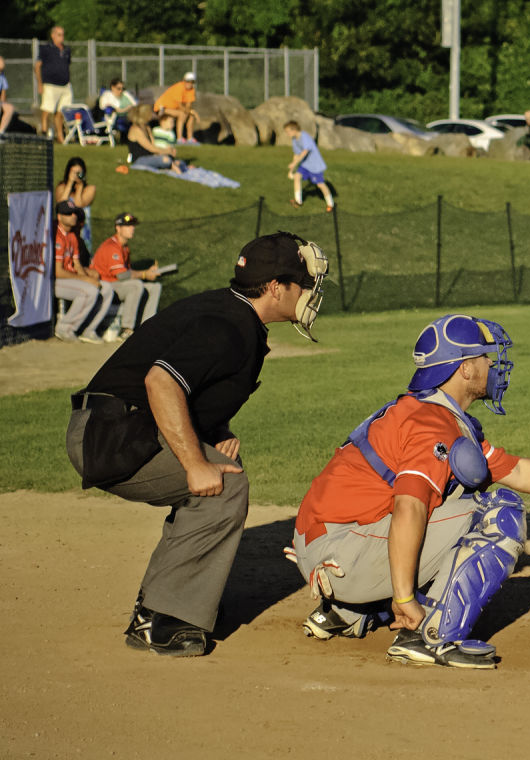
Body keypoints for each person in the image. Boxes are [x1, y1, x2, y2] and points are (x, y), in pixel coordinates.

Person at [289, 314, 530, 669]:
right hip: (343, 556)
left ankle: (350, 612)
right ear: (465, 368)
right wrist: (405, 597)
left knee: (456, 497)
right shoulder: (432, 425)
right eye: (485, 358)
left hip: (332, 547)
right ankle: (431, 637)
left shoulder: (433, 413)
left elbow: (515, 469)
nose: (493, 366)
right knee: (497, 510)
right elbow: (409, 508)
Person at [65, 232, 329, 657]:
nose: (308, 292)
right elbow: (161, 381)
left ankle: (160, 605)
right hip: (108, 435)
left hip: (116, 428)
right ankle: (165, 620)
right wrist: (193, 461)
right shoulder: (228, 324)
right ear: (276, 287)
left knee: (220, 466)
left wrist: (212, 431)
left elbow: (191, 388)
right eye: (301, 283)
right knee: (222, 486)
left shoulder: (232, 314)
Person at [91, 212, 162, 340]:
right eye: (128, 226)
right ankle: (126, 330)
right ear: (118, 228)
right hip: (105, 285)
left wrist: (148, 272)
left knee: (155, 287)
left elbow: (127, 272)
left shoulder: (124, 247)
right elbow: (122, 276)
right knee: (135, 285)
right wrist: (145, 274)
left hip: (116, 285)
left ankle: (147, 328)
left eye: (133, 225)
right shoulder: (112, 246)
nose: (132, 228)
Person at [53, 201, 111, 344]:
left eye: (74, 213)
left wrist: (86, 275)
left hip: (68, 278)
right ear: (59, 217)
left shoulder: (72, 236)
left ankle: (88, 329)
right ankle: (64, 328)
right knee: (89, 291)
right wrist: (85, 280)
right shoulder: (57, 235)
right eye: (68, 213)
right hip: (53, 281)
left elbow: (77, 264)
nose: (73, 216)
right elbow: (57, 272)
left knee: (106, 288)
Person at [284, 121, 334, 212]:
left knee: (320, 185)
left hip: (315, 166)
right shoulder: (294, 139)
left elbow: (304, 152)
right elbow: (296, 153)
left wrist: (295, 163)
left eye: (288, 132)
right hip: (305, 164)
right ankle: (298, 201)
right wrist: (292, 169)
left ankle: (330, 204)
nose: (287, 134)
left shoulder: (304, 136)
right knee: (297, 177)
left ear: (294, 129)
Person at [34, 26, 72, 142]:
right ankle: (44, 134)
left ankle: (60, 137)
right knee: (47, 110)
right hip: (50, 85)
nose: (62, 37)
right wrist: (40, 84)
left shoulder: (66, 50)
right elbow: (37, 66)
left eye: (63, 35)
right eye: (59, 35)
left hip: (65, 85)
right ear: (53, 35)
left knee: (61, 112)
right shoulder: (46, 48)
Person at [125, 108, 186, 173]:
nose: (152, 115)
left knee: (180, 162)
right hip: (139, 159)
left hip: (151, 156)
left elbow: (154, 145)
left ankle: (170, 165)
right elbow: (151, 148)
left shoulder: (147, 127)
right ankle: (171, 166)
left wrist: (169, 150)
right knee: (166, 160)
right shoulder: (136, 129)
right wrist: (167, 151)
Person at [54, 157, 96, 250]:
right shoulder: (61, 187)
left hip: (82, 230)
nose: (77, 175)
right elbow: (61, 204)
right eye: (74, 172)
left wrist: (80, 187)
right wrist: (69, 183)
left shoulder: (90, 189)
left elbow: (79, 205)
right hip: (64, 230)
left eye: (79, 172)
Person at [152, 72, 198, 144]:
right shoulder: (179, 87)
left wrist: (191, 112)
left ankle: (190, 139)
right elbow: (180, 106)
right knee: (182, 114)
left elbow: (188, 106)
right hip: (161, 108)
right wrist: (192, 112)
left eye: (192, 82)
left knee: (191, 116)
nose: (190, 83)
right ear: (184, 81)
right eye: (188, 81)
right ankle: (179, 139)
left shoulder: (191, 90)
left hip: (172, 109)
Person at [0, 57, 15, 134]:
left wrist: (2, 103)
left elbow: (3, 95)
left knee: (10, 108)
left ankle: (1, 132)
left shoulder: (2, 77)